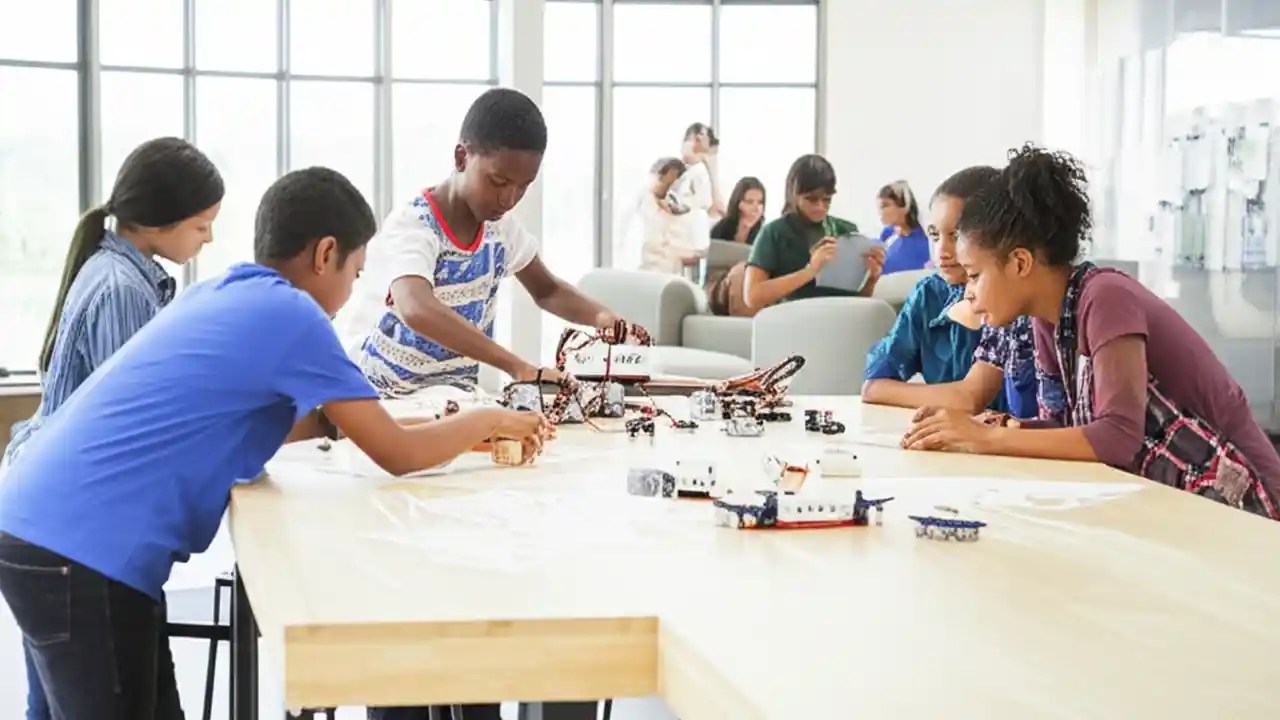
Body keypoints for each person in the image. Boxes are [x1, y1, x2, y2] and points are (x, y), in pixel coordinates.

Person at [0, 167, 551, 720]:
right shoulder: (294, 314)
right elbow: (395, 454)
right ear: (325, 253)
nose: (351, 292)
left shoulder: (226, 290)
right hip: (83, 551)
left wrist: (448, 429)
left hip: (37, 524)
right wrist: (485, 418)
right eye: (356, 273)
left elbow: (312, 425)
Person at [903, 144, 1280, 518]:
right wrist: (1005, 427)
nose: (968, 292)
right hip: (1180, 497)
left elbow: (1117, 436)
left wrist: (985, 439)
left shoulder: (1106, 298)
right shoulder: (1047, 318)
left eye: (974, 275)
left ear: (1020, 262)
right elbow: (1067, 428)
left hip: (1247, 505)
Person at [3, 136, 224, 720]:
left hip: (47, 530)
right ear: (162, 220)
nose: (208, 239)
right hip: (76, 541)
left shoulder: (116, 273)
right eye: (203, 226)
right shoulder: (121, 291)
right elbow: (134, 434)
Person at [338, 88, 635, 396]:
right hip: (383, 400)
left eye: (524, 187)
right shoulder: (414, 226)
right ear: (462, 157)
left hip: (453, 399)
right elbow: (416, 307)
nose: (509, 199)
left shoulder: (500, 229)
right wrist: (517, 366)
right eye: (498, 181)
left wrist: (601, 317)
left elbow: (548, 290)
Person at [861, 166, 1037, 418]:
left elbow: (971, 398)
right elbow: (873, 386)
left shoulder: (1014, 299)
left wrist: (949, 399)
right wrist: (951, 400)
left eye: (956, 235)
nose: (942, 250)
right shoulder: (929, 294)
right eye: (935, 235)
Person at [743, 154, 885, 309]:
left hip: (840, 319)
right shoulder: (774, 232)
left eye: (827, 200)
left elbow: (857, 301)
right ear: (794, 195)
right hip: (793, 320)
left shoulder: (846, 231)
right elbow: (752, 296)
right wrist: (811, 270)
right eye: (811, 199)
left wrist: (871, 278)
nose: (820, 207)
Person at [633, 156, 695, 274]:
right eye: (662, 179)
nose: (665, 185)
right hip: (646, 272)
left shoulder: (676, 207)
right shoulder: (644, 205)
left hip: (669, 274)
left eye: (674, 180)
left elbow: (688, 252)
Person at [876, 180, 931, 274]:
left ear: (904, 206)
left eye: (885, 205)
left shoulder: (926, 240)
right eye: (879, 207)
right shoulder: (887, 234)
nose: (880, 212)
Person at [709, 176, 766, 245]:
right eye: (749, 202)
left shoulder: (765, 237)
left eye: (760, 202)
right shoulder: (721, 228)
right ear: (738, 203)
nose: (756, 208)